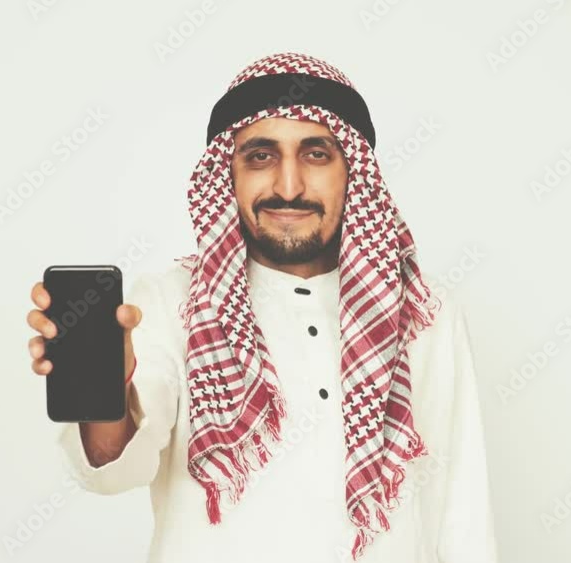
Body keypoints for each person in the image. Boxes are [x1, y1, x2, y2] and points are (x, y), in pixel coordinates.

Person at [26, 52, 497, 563]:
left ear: (353, 172)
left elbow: (463, 514)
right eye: (260, 156)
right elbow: (116, 469)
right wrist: (109, 392)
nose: (288, 186)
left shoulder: (427, 315)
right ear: (227, 174)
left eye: (316, 154)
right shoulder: (174, 300)